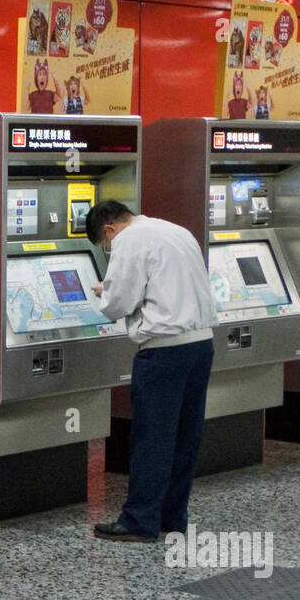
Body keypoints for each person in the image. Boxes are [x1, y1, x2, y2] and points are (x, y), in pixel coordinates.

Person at [86, 200, 217, 542]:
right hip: (201, 344)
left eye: (105, 245)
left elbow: (119, 303)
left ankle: (140, 521)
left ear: (109, 230)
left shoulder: (129, 241)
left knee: (152, 438)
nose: (109, 249)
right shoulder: (176, 230)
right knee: (184, 437)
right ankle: (172, 518)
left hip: (163, 351)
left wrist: (104, 292)